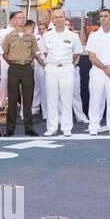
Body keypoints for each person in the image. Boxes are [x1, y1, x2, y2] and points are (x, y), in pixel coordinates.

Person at [40, 9, 84, 137]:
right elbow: (45, 51)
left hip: (66, 68)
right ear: (53, 19)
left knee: (66, 99)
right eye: (56, 17)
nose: (58, 19)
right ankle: (52, 127)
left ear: (65, 18)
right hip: (52, 68)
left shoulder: (72, 35)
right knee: (51, 100)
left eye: (60, 17)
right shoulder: (47, 35)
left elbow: (77, 52)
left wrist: (68, 62)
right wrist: (53, 61)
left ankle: (66, 127)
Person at [0, 11, 40, 137]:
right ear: (15, 20)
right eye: (19, 18)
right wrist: (12, 62)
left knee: (28, 99)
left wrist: (26, 60)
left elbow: (34, 52)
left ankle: (29, 128)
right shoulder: (9, 36)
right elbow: (4, 53)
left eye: (23, 18)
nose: (22, 20)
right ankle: (10, 129)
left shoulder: (31, 37)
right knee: (12, 99)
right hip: (14, 68)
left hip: (27, 68)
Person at [84, 9, 110, 137]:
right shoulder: (94, 35)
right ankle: (94, 125)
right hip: (98, 71)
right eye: (101, 16)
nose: (103, 18)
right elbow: (91, 56)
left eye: (106, 16)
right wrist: (104, 68)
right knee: (96, 99)